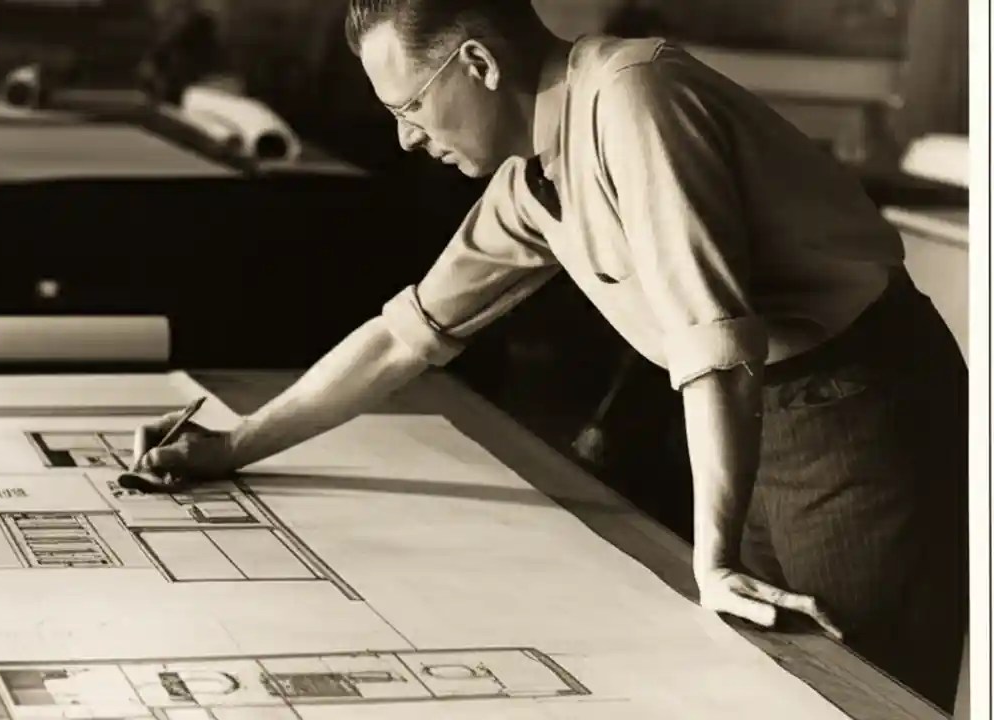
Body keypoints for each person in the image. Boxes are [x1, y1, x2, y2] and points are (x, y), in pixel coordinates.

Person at [134, 0, 968, 708]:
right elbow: (400, 337)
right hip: (756, 418)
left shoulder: (634, 98)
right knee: (778, 682)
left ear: (478, 64)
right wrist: (235, 444)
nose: (406, 139)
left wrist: (710, 559)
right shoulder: (530, 179)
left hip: (862, 414)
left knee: (860, 694)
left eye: (409, 107)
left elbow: (716, 345)